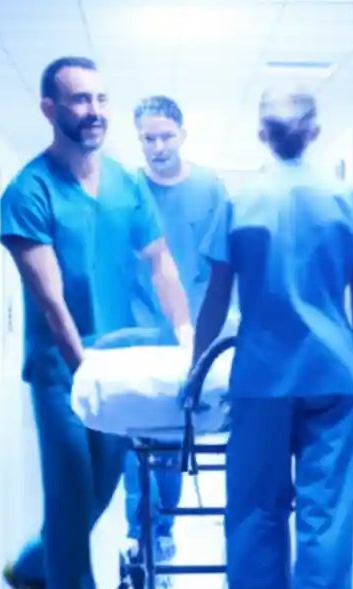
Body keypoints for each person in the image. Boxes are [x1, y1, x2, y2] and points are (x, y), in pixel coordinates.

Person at [188, 84, 353, 589]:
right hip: (332, 378)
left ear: (260, 134)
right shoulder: (346, 199)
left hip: (263, 380)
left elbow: (216, 300)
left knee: (254, 511)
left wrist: (195, 369)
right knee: (328, 516)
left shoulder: (239, 200)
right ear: (317, 131)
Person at [0, 56, 193, 589]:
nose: (95, 112)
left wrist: (187, 334)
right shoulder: (28, 191)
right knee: (70, 488)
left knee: (104, 487)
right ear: (50, 110)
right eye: (80, 100)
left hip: (120, 366)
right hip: (63, 372)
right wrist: (85, 370)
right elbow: (49, 294)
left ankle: (33, 563)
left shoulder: (126, 185)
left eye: (102, 99)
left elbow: (159, 262)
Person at [122, 95, 230, 562]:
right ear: (139, 139)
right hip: (139, 327)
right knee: (135, 434)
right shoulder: (126, 189)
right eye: (149, 137)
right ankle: (138, 527)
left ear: (183, 135)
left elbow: (224, 262)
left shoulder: (210, 189)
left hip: (194, 334)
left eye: (167, 136)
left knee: (173, 433)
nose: (158, 145)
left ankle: (163, 524)